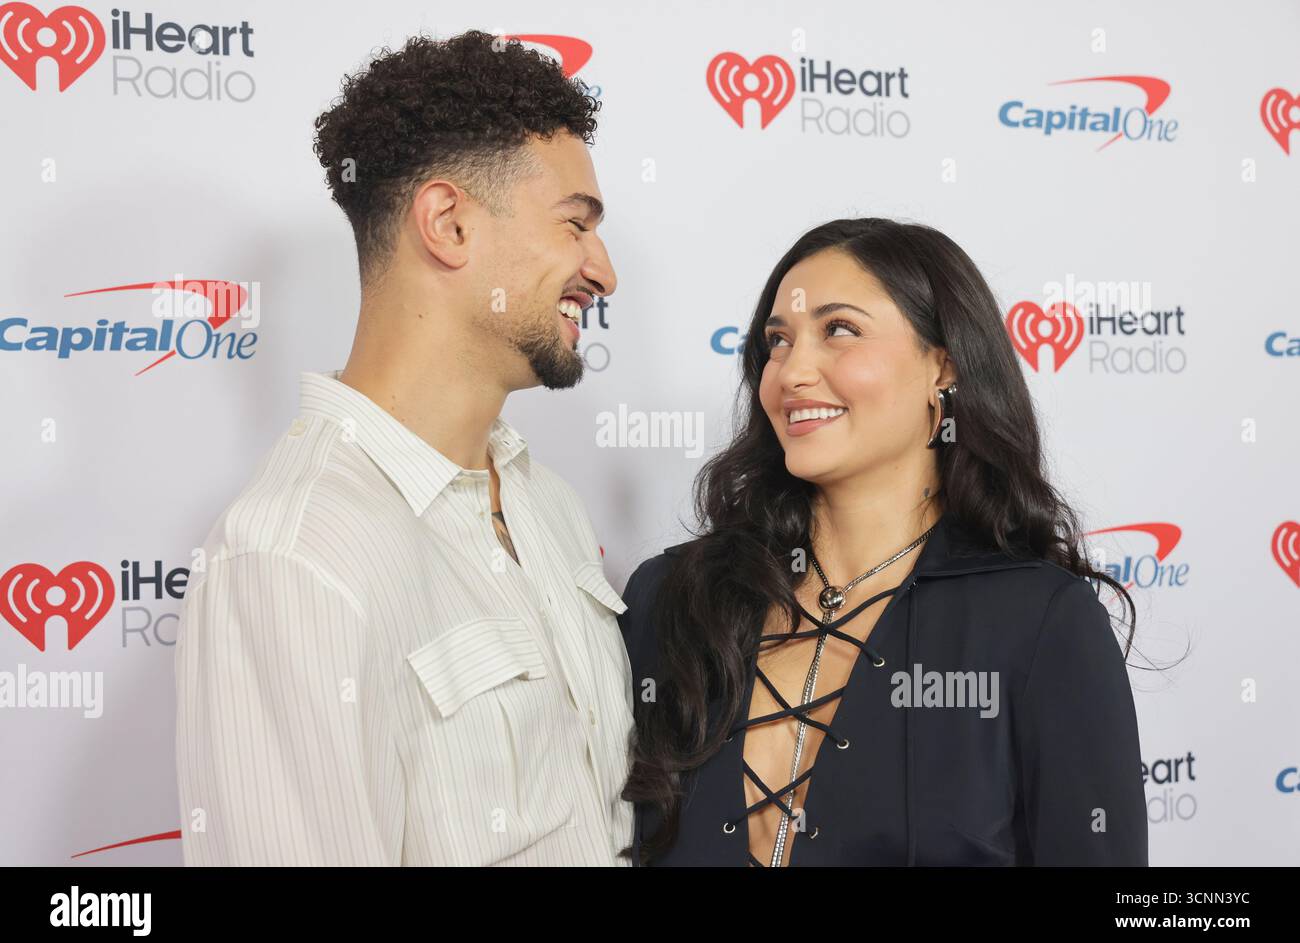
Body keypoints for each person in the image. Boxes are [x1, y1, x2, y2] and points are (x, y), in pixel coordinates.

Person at [175, 31, 631, 866]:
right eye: (576, 225)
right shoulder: (292, 554)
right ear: (449, 224)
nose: (603, 272)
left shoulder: (548, 505)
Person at [618, 218, 1149, 866]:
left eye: (839, 330)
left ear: (942, 366)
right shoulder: (672, 598)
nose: (792, 372)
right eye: (777, 343)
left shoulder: (1041, 623)